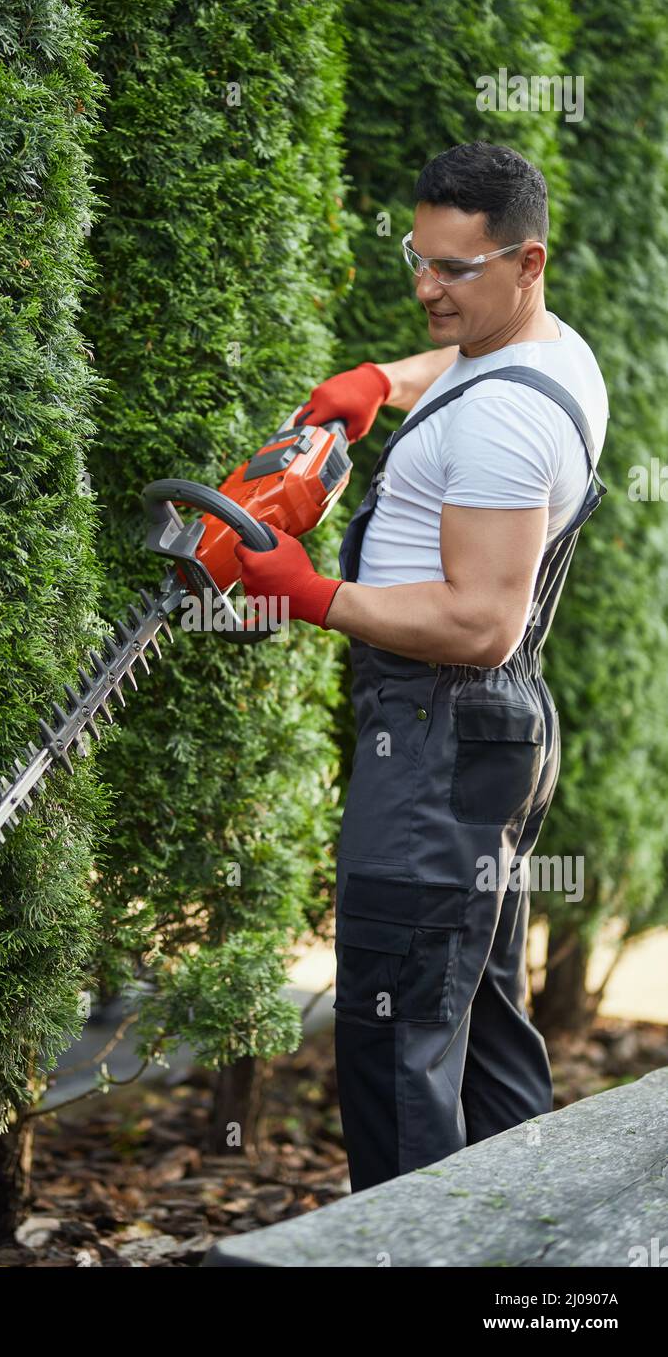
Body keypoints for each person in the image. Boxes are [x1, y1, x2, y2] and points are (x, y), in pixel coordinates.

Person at [234, 140, 609, 1192]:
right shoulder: (545, 349)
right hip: (489, 730)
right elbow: (465, 360)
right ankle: (525, 1262)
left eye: (453, 269)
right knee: (477, 1013)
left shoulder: (500, 419)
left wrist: (304, 592)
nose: (423, 285)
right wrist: (375, 384)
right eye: (418, 254)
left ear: (523, 262)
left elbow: (478, 619)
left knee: (395, 1033)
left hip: (440, 728)